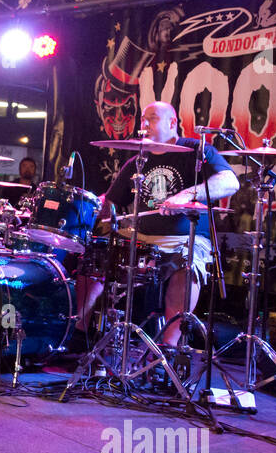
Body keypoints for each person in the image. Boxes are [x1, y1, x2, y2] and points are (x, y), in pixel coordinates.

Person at [81, 102, 239, 347]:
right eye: (143, 120)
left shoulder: (196, 151)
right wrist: (83, 203)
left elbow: (230, 182)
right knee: (94, 255)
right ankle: (80, 338)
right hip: (140, 237)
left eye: (152, 119)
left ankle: (169, 350)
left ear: (172, 123)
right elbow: (109, 205)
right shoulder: (137, 160)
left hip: (186, 238)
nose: (144, 125)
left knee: (187, 266)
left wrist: (187, 195)